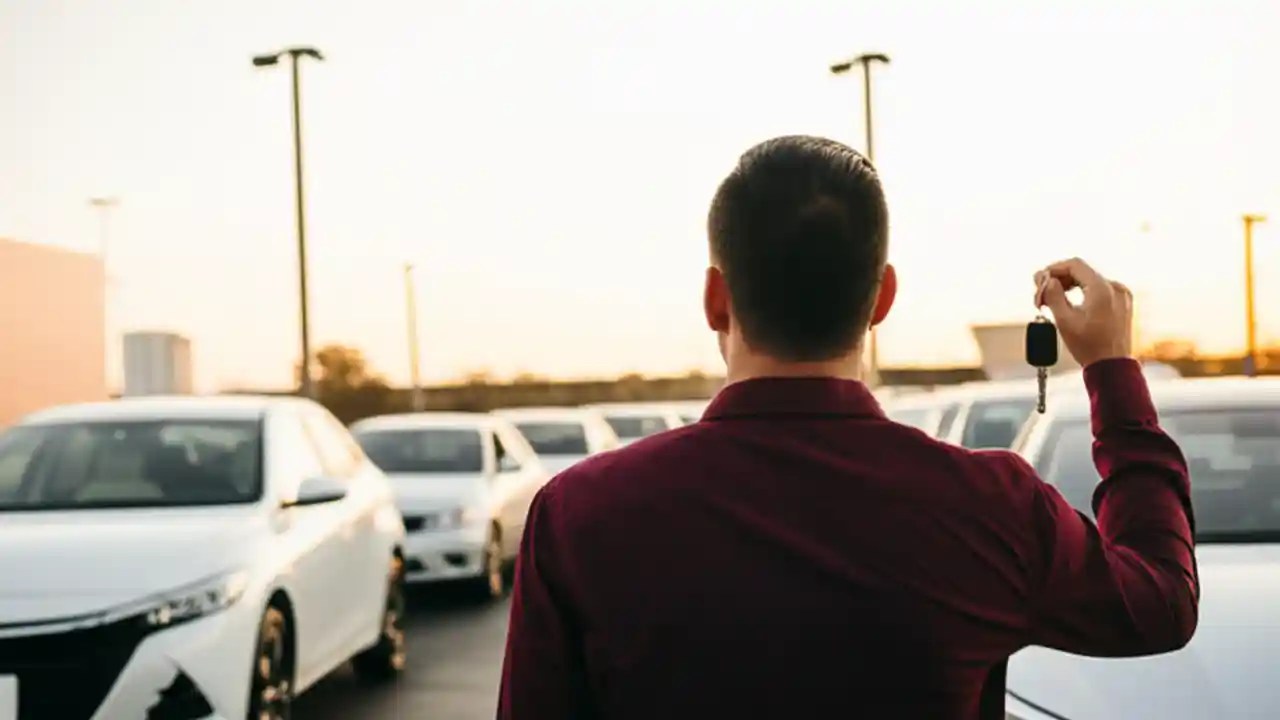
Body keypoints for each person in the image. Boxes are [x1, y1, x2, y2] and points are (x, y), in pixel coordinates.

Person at [498, 135, 1197, 719]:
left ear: (716, 299)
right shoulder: (992, 507)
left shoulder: (579, 515)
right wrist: (1111, 371)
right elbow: (1162, 602)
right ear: (882, 298)